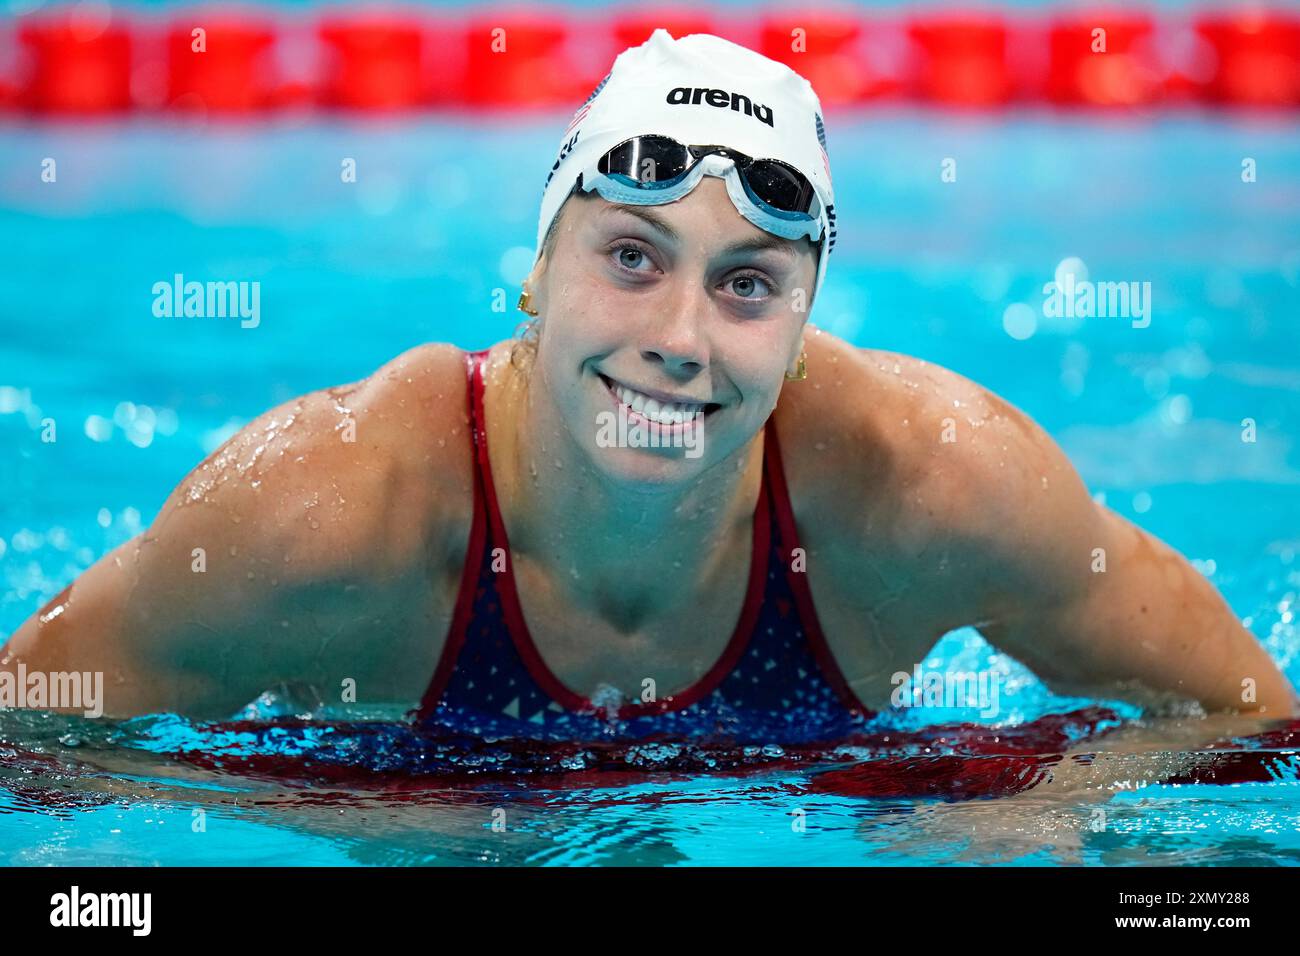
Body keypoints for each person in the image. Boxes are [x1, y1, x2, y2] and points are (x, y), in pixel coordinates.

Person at [3, 30, 1294, 741]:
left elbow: (1249, 722)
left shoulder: (936, 485)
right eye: (633, 257)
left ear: (802, 328)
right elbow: (29, 735)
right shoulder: (335, 512)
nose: (681, 336)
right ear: (535, 273)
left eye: (747, 286)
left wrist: (1059, 817)